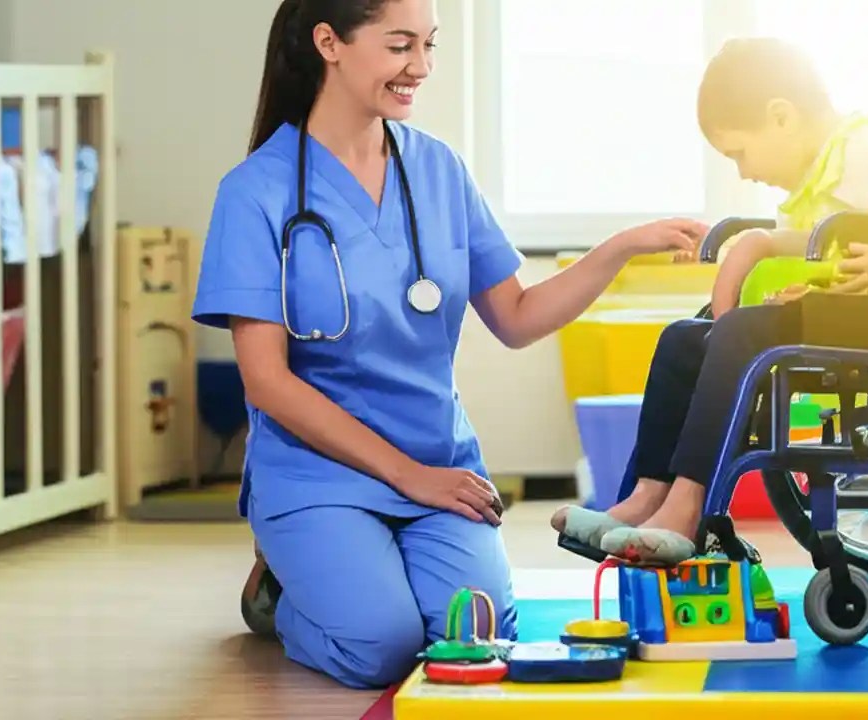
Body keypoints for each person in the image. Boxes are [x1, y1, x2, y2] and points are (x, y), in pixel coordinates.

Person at [191, 0, 707, 690]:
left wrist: (620, 247)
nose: (422, 68)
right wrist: (408, 476)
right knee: (381, 646)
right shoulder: (254, 192)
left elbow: (518, 316)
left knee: (479, 632)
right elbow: (268, 383)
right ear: (328, 43)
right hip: (317, 475)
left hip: (438, 459)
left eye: (429, 46)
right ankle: (282, 592)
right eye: (400, 45)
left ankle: (358, 570)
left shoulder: (437, 171)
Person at [551, 37, 868, 565]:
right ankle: (646, 496)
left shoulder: (863, 147)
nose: (743, 172)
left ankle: (687, 508)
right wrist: (767, 256)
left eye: (739, 153)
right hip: (855, 312)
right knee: (685, 338)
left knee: (741, 332)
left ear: (781, 117)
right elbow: (818, 249)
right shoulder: (815, 181)